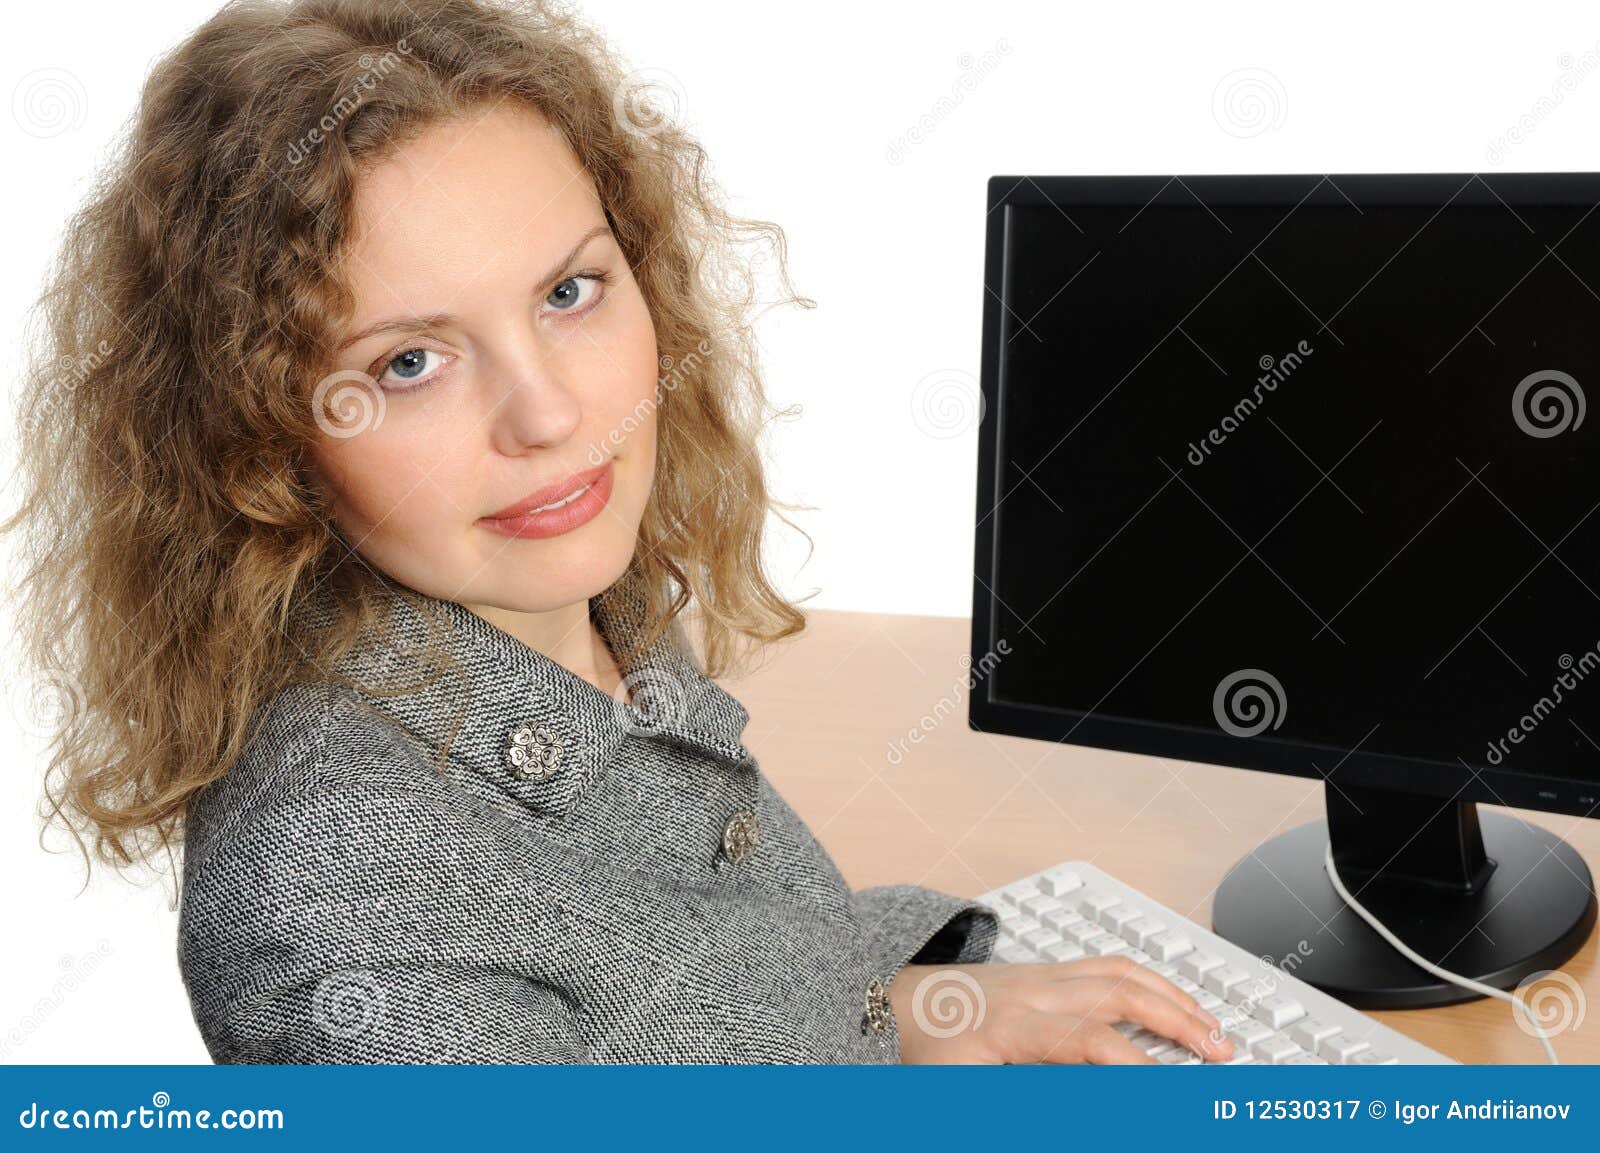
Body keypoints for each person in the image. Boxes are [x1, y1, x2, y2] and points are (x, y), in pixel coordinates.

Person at [6, 0, 1229, 1065]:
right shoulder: (346, 914)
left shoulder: (566, 606)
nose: (548, 416)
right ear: (259, 433)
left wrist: (909, 1004)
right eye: (412, 361)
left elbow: (699, 973)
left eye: (568, 292)